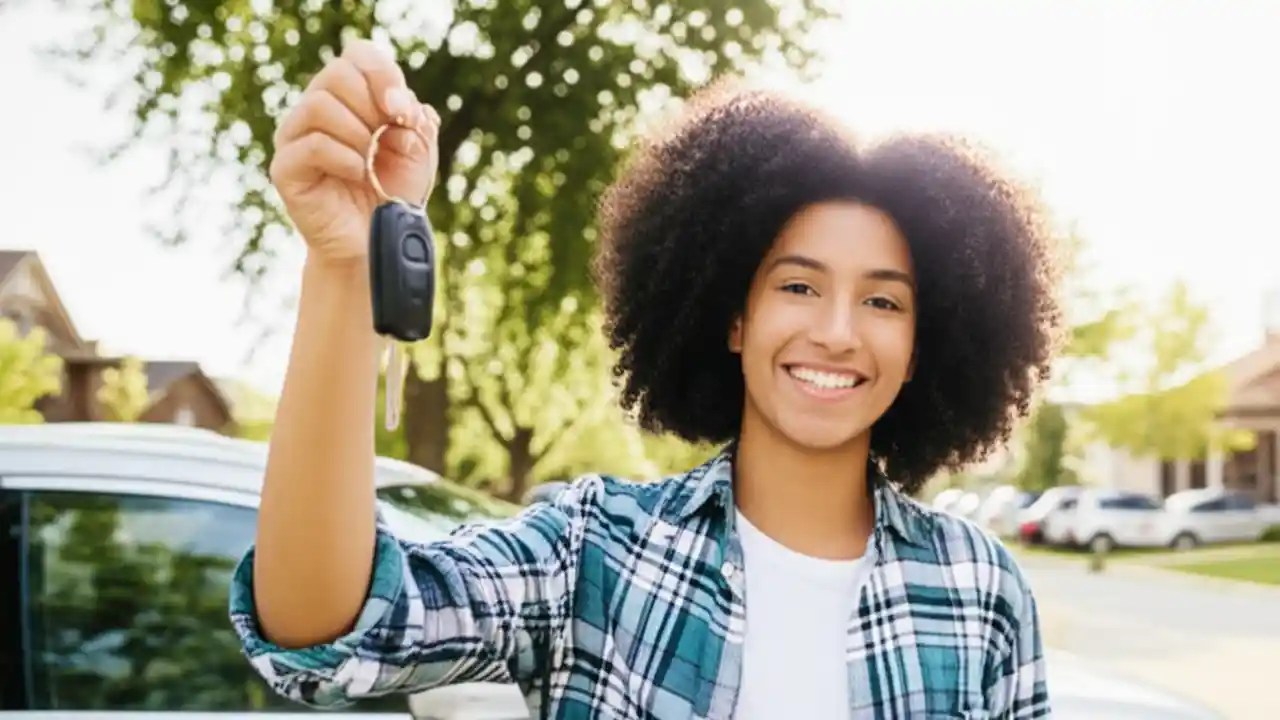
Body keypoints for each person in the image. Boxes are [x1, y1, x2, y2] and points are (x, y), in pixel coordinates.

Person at [231, 38, 1061, 719]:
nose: (837, 332)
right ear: (733, 318)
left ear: (923, 345)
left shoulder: (979, 589)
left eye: (883, 301)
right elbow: (330, 637)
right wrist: (343, 268)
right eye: (798, 286)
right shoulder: (596, 549)